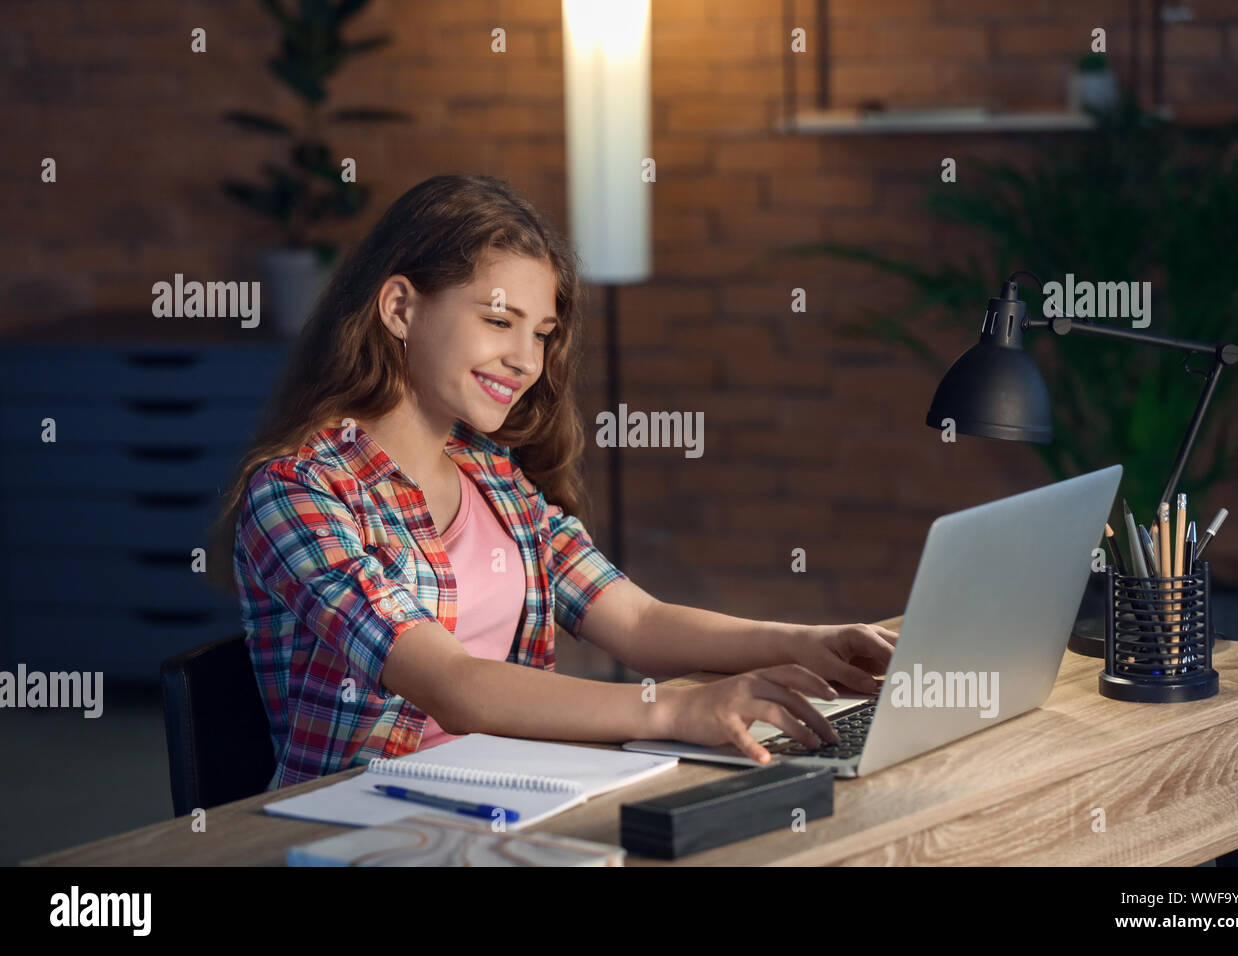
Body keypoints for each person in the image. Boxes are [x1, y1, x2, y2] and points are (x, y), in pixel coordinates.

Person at [210, 174, 896, 789]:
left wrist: (810, 642)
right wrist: (680, 707)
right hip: (365, 824)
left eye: (541, 333)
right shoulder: (297, 495)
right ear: (399, 309)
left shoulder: (493, 479)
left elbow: (637, 620)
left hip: (518, 791)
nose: (525, 360)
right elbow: (455, 686)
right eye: (498, 321)